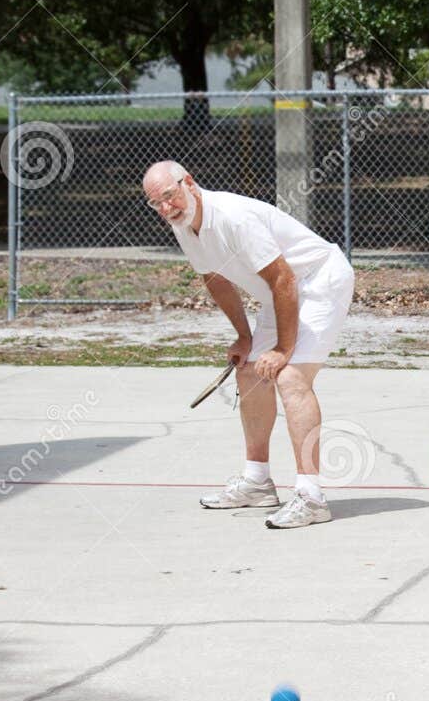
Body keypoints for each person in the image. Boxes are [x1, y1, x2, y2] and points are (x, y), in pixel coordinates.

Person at [142, 160, 354, 530]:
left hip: (320, 282)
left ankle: (311, 496)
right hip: (281, 294)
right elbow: (215, 279)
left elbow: (283, 278)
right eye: (155, 204)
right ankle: (257, 482)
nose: (165, 208)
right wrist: (243, 335)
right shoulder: (183, 224)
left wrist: (284, 350)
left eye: (169, 196)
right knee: (248, 372)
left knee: (290, 378)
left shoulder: (232, 217)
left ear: (188, 183)